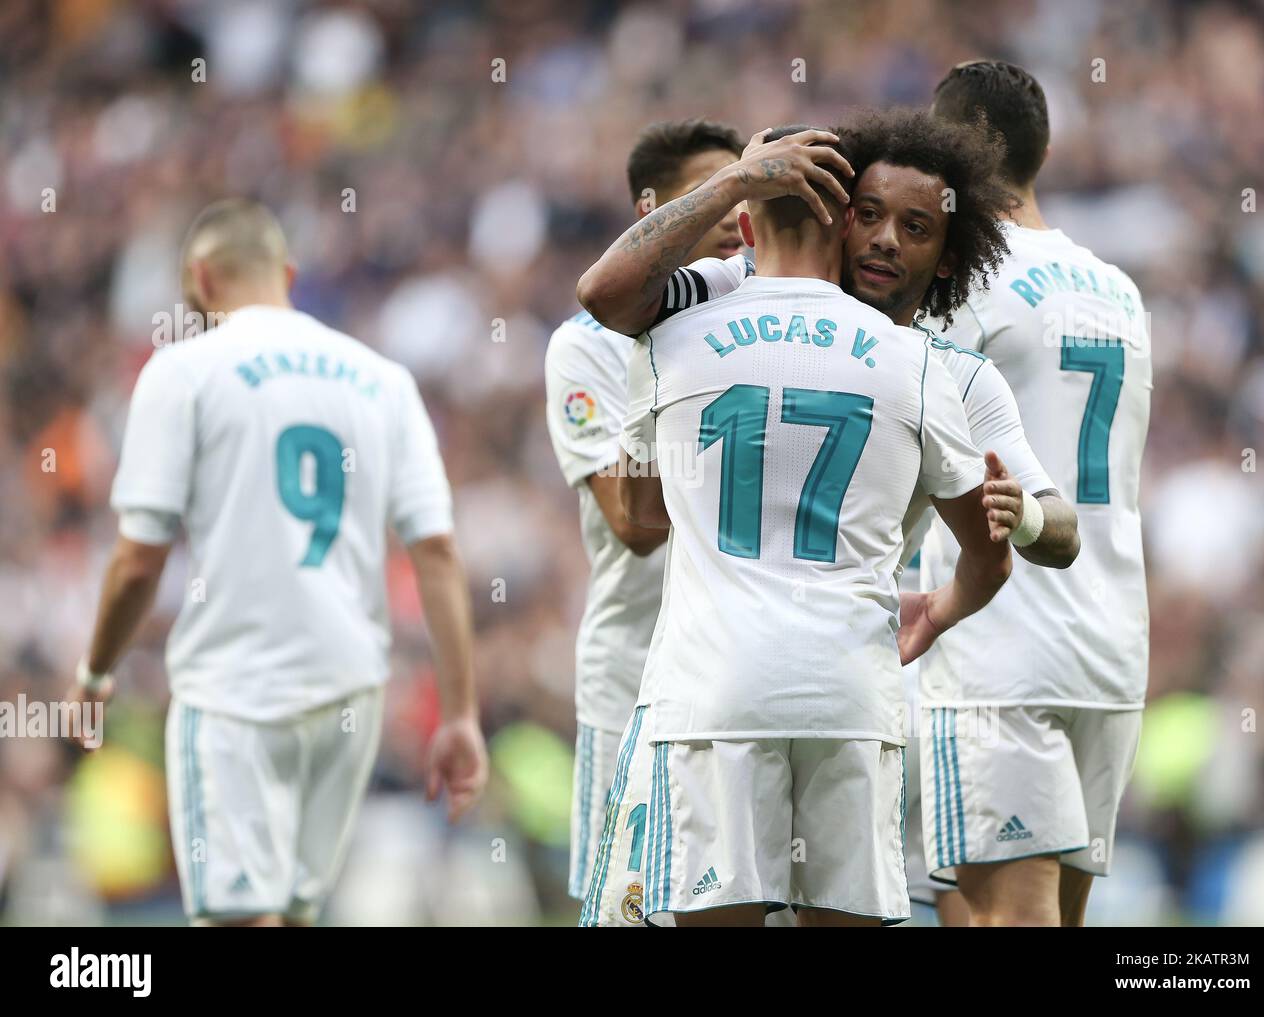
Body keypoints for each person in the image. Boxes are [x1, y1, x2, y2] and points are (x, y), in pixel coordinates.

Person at [577, 111, 1081, 925]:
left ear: (742, 223)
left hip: (713, 689)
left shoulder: (676, 329)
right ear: (845, 218)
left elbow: (640, 513)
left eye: (911, 226)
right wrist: (939, 610)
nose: (884, 240)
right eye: (875, 216)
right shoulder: (922, 365)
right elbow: (989, 552)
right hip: (851, 691)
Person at [69, 198, 488, 926]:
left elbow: (139, 558)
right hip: (349, 688)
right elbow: (438, 549)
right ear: (288, 274)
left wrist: (96, 672)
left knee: (240, 916)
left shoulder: (182, 371)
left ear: (199, 279)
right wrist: (460, 713)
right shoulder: (382, 378)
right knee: (291, 913)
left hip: (236, 686)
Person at [923, 60, 1152, 926]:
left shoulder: (959, 278)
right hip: (1109, 643)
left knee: (1006, 920)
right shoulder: (1120, 292)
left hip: (1001, 648)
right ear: (1044, 149)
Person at [544, 119, 744, 906]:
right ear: (652, 211)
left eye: (745, 189)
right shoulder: (589, 344)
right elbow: (635, 525)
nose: (735, 212)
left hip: (740, 673)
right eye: (710, 192)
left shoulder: (772, 324)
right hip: (633, 672)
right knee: (622, 901)